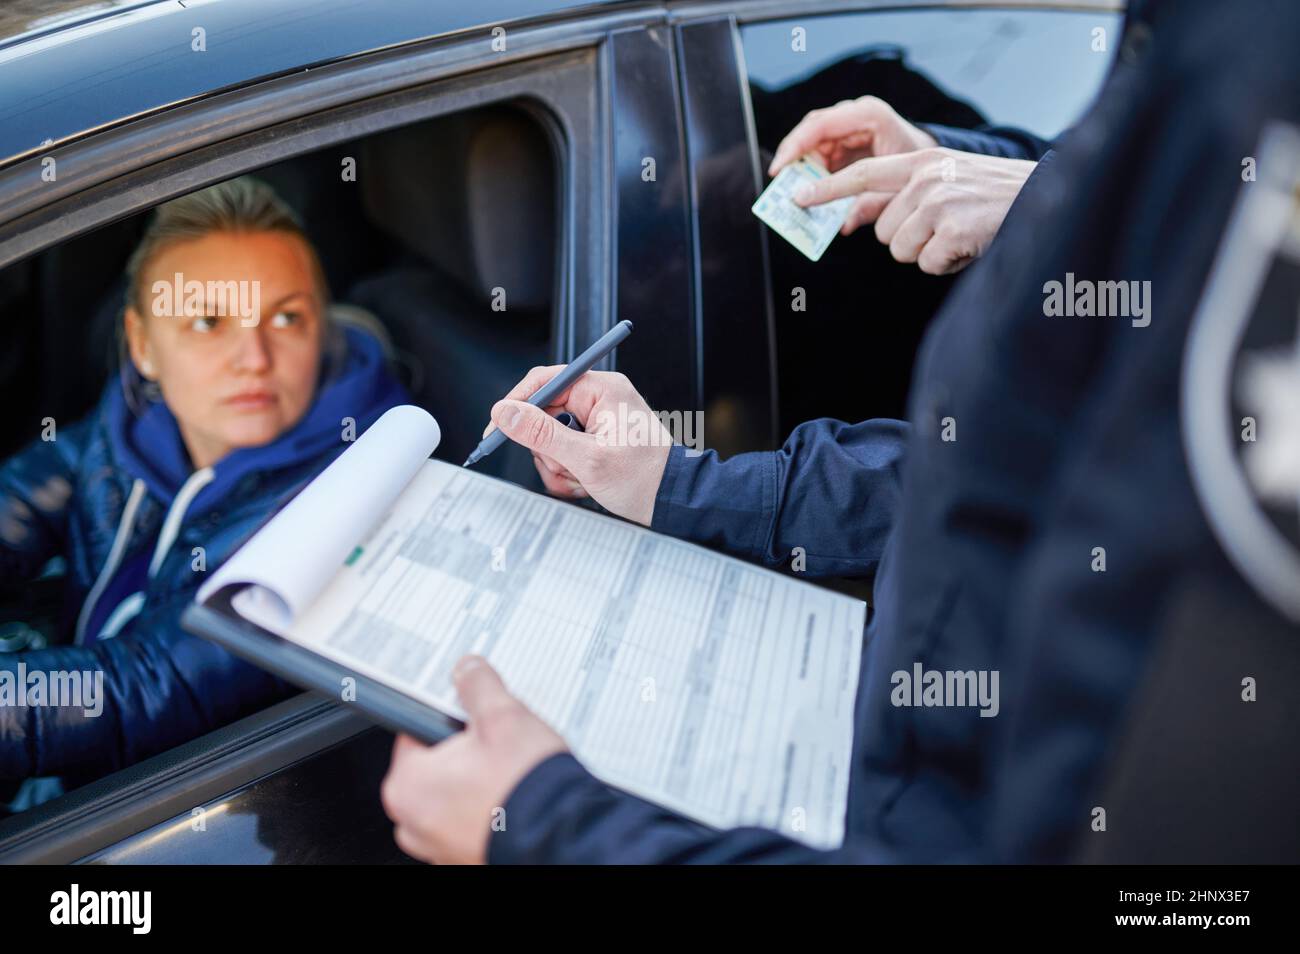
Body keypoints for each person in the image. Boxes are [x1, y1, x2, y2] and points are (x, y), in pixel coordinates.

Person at [381, 0, 1300, 863]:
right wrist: (679, 484)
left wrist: (548, 828)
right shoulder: (1211, 69)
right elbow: (983, 477)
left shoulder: (1259, 95)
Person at [0, 177, 407, 796]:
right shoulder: (136, 420)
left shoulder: (353, 498)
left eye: (286, 316)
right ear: (143, 346)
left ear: (321, 329)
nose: (255, 357)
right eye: (209, 320)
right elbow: (19, 502)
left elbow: (150, 685)